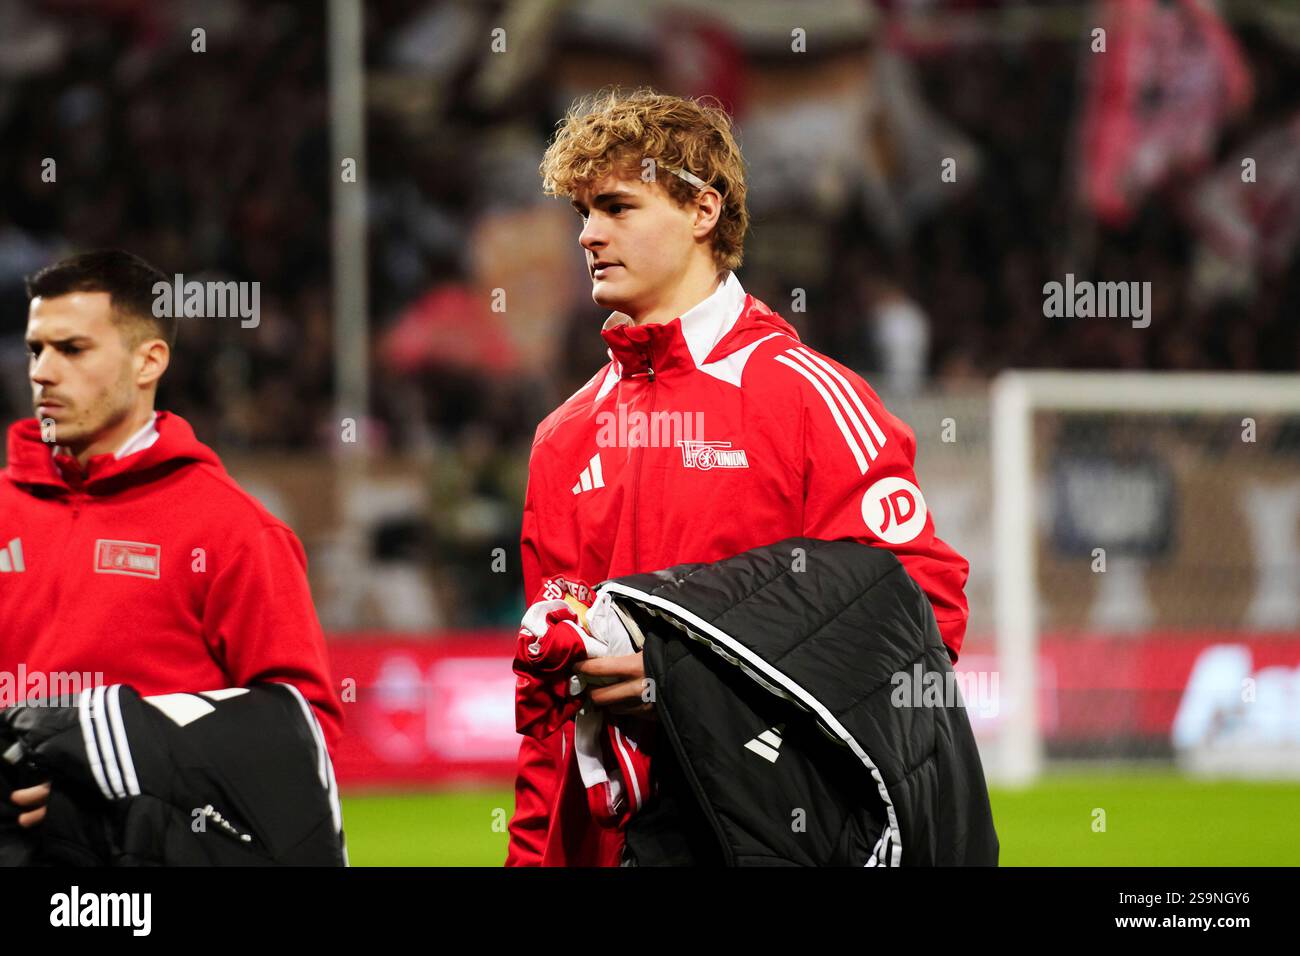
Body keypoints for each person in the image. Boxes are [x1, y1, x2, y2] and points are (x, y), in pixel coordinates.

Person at [506, 88, 971, 866]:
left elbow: (922, 610)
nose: (588, 236)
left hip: (778, 831)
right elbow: (545, 709)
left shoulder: (808, 399)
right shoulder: (563, 438)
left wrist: (697, 692)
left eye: (617, 208)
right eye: (583, 213)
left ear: (702, 211)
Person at [0, 249, 341, 832]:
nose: (42, 372)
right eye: (36, 349)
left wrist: (108, 774)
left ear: (147, 361)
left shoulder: (235, 532)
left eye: (72, 349)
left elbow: (304, 740)